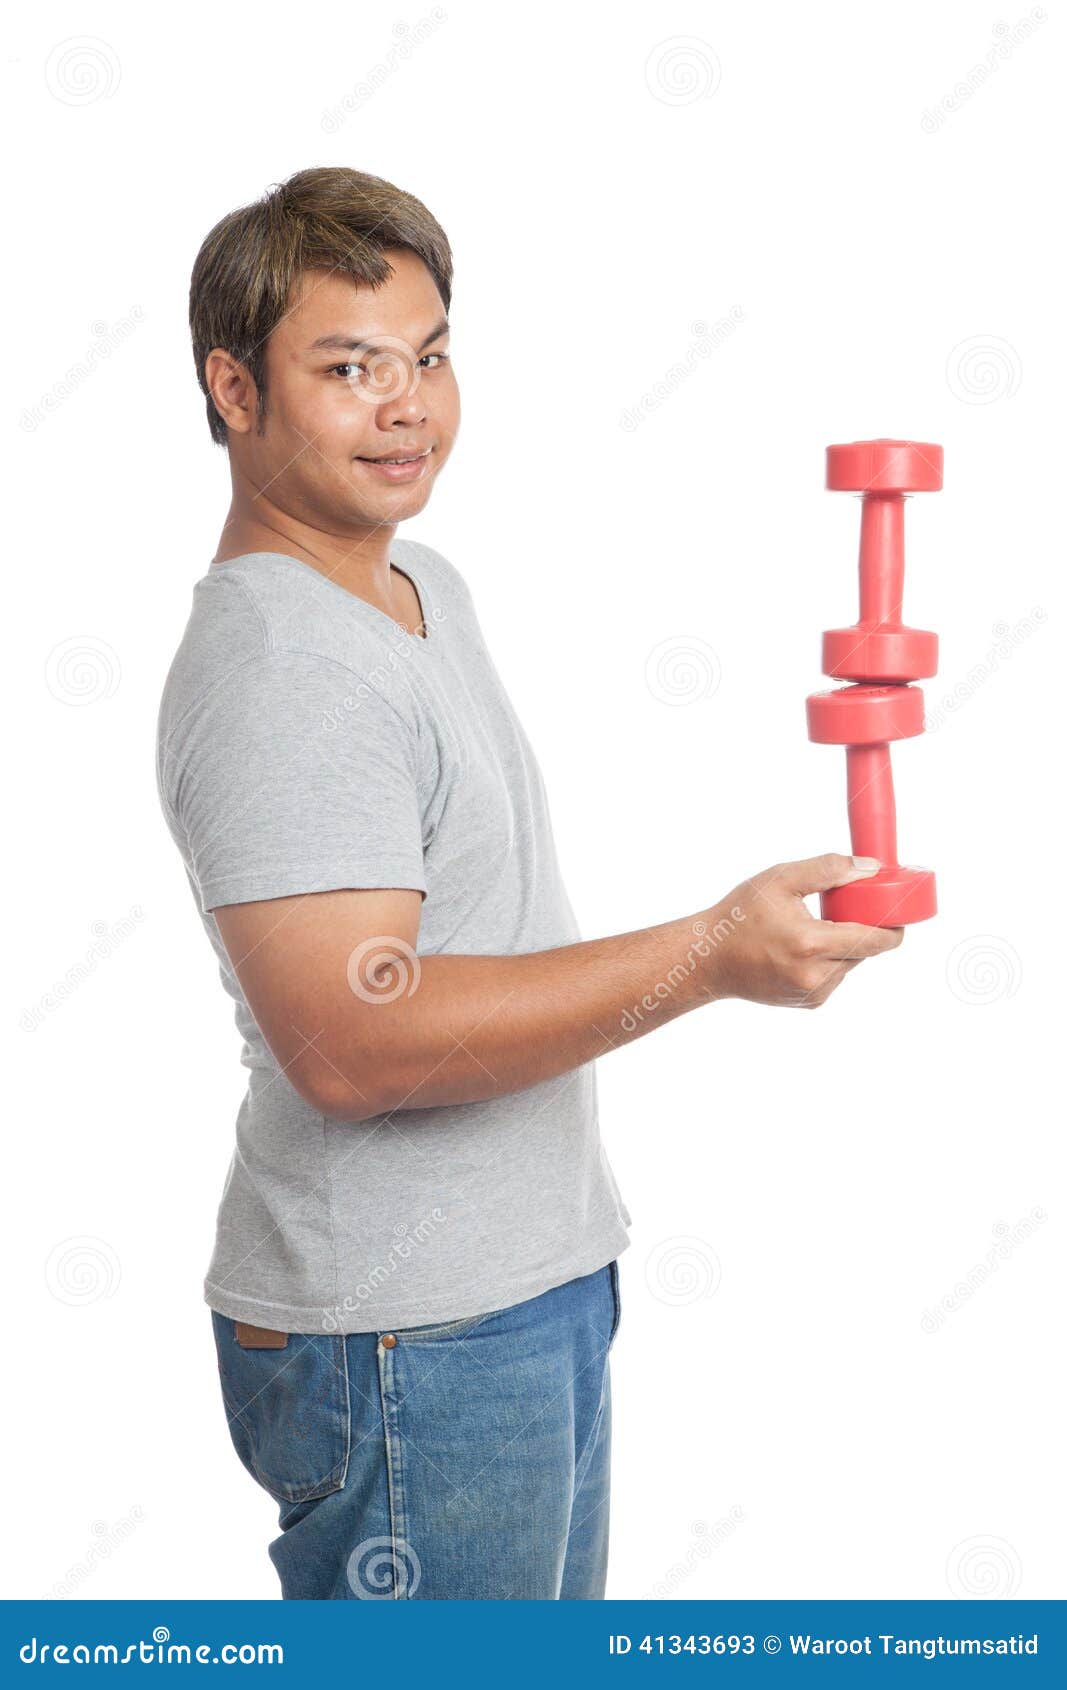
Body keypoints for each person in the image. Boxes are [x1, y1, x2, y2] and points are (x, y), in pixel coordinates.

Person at [154, 166, 903, 1601]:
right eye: (349, 366)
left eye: (429, 355)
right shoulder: (281, 666)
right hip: (407, 1333)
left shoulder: (411, 580)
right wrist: (712, 955)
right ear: (234, 390)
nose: (409, 404)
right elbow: (353, 1041)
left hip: (521, 1290)